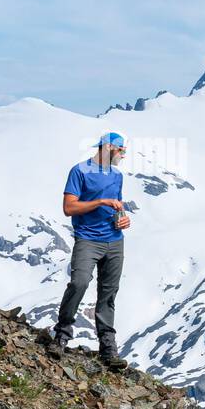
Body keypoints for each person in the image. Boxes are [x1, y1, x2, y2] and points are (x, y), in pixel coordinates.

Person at [48, 133, 131, 369]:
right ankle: (61, 336)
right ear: (109, 148)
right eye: (121, 150)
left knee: (109, 293)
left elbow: (119, 207)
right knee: (79, 283)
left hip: (115, 240)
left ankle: (108, 349)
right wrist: (101, 202)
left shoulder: (117, 176)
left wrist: (123, 220)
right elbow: (69, 208)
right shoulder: (80, 171)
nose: (123, 155)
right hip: (87, 239)